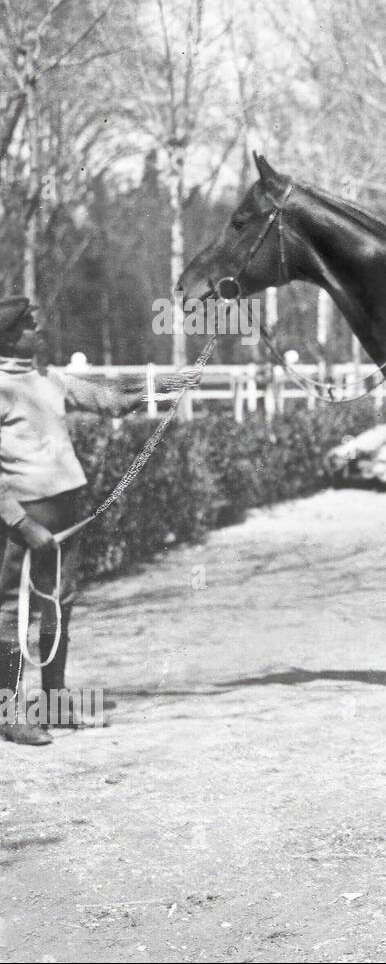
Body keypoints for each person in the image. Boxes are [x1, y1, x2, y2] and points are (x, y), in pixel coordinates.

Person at [0, 297, 196, 745]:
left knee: (58, 603)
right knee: (12, 613)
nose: (40, 326)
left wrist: (164, 385)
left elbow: (107, 398)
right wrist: (21, 525)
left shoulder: (49, 378)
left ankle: (54, 703)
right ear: (10, 335)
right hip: (24, 521)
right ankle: (8, 713)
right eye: (30, 324)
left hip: (66, 513)